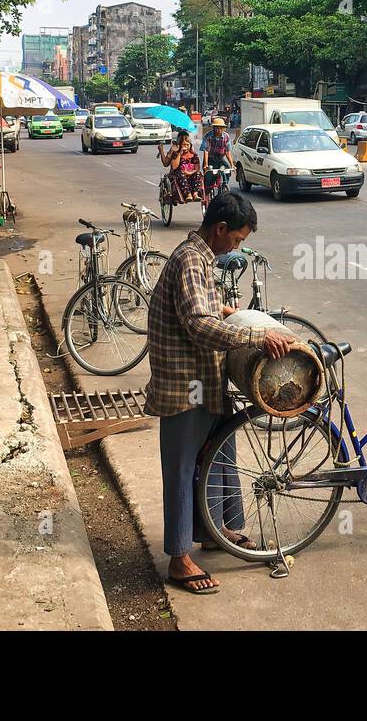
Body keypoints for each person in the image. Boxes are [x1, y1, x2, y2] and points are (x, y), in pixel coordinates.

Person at [145, 192, 295, 595]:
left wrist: (230, 312)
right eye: (238, 240)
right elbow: (197, 324)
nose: (237, 247)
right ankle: (179, 558)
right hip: (184, 383)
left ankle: (215, 531)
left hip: (205, 379)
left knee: (220, 455)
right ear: (221, 229)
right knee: (182, 467)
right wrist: (255, 335)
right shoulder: (190, 260)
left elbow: (206, 307)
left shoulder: (200, 256)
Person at [167, 130, 205, 202]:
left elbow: (197, 168)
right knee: (181, 173)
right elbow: (174, 167)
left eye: (187, 145)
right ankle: (188, 195)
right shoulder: (176, 154)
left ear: (190, 145)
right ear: (180, 145)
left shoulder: (194, 155)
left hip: (191, 175)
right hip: (179, 176)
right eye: (183, 145)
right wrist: (179, 154)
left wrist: (189, 173)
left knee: (198, 174)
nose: (185, 147)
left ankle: (195, 194)